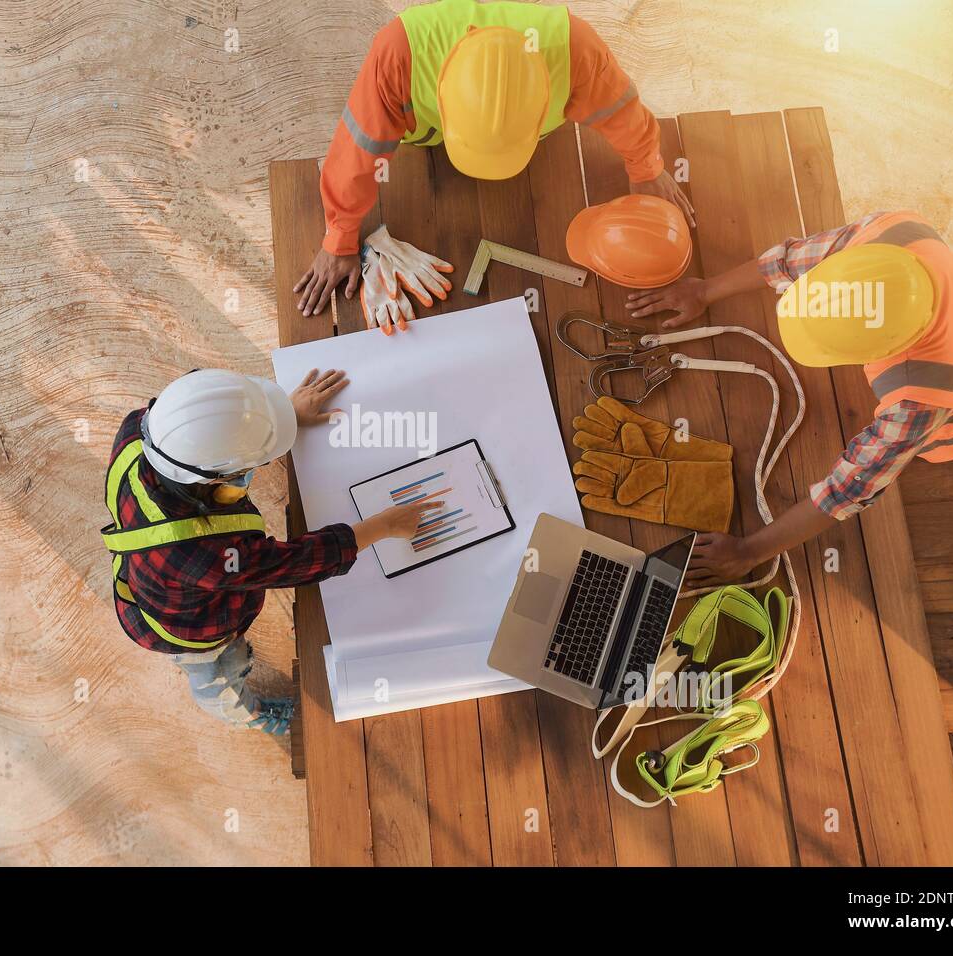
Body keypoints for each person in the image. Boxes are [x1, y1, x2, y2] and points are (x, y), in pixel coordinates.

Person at [625, 211, 953, 587]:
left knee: (926, 450)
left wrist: (749, 552)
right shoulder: (888, 234)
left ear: (877, 354)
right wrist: (705, 290)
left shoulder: (920, 400)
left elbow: (849, 489)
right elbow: (788, 260)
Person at [294, 0, 694, 319]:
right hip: (430, 132)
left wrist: (646, 166)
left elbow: (621, 110)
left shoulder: (575, 49)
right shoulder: (399, 51)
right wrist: (340, 238)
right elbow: (357, 150)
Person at [101, 368, 437, 734]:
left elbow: (211, 420)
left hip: (154, 579)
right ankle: (248, 715)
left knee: (227, 657)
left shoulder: (142, 429)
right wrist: (383, 526)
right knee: (221, 676)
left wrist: (276, 419)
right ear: (215, 480)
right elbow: (297, 562)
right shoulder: (204, 552)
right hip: (186, 629)